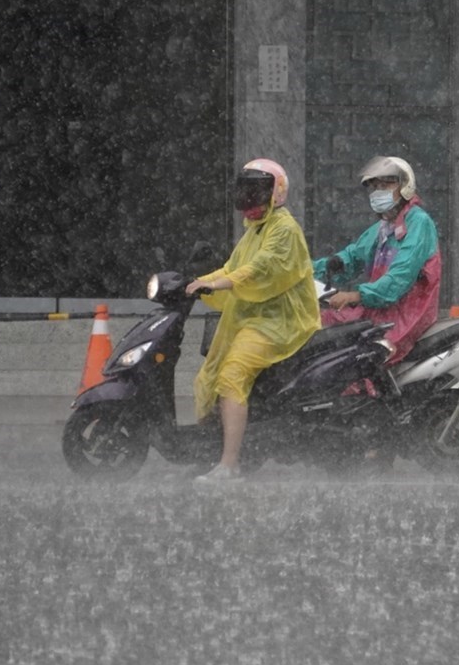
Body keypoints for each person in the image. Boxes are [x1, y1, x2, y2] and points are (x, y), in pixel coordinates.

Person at [187, 158, 320, 481]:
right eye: (244, 190)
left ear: (276, 193)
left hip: (279, 322)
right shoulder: (254, 232)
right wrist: (195, 284)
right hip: (252, 319)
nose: (248, 198)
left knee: (232, 374)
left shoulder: (284, 229)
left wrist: (219, 283)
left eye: (255, 190)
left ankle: (230, 464)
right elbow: (233, 269)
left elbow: (263, 268)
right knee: (210, 375)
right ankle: (211, 452)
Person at [312, 155, 441, 364]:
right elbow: (351, 258)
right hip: (377, 312)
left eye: (386, 185)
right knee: (319, 329)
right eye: (375, 187)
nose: (378, 192)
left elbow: (399, 278)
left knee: (353, 362)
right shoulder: (383, 228)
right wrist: (303, 272)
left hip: (404, 315)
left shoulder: (419, 223)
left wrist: (354, 296)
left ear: (405, 186)